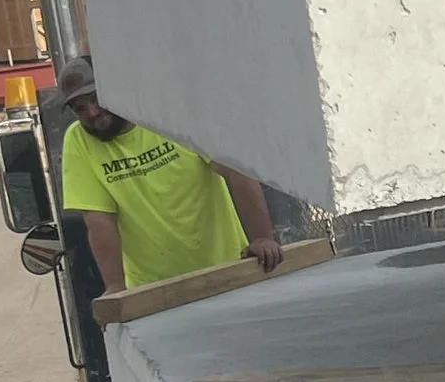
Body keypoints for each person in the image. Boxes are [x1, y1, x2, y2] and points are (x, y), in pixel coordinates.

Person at [54, 56, 284, 299]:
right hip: (154, 292)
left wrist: (261, 238)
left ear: (117, 90)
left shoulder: (171, 113)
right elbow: (98, 219)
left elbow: (236, 171)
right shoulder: (78, 140)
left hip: (226, 270)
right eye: (80, 108)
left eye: (96, 98)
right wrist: (115, 287)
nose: (92, 112)